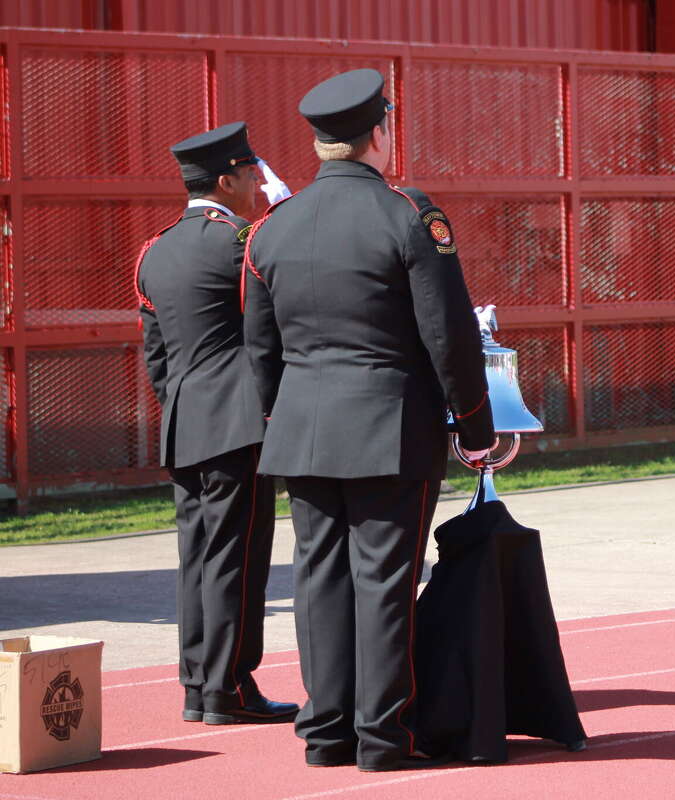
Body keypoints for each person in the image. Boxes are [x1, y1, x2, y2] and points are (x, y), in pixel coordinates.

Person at [241, 68, 496, 770]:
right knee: (385, 581)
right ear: (379, 133)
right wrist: (475, 427)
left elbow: (261, 352)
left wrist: (283, 416)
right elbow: (448, 335)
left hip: (302, 429)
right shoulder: (407, 216)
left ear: (322, 141)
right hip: (390, 426)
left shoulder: (271, 230)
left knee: (318, 580)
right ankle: (383, 738)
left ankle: (326, 733)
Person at [135, 122, 299, 724]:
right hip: (240, 422)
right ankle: (231, 688)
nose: (259, 183)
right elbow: (287, 285)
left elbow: (156, 355)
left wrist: (183, 405)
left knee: (198, 556)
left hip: (185, 423)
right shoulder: (241, 241)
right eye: (252, 174)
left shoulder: (155, 251)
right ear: (226, 178)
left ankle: (198, 685)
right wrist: (285, 211)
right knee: (239, 557)